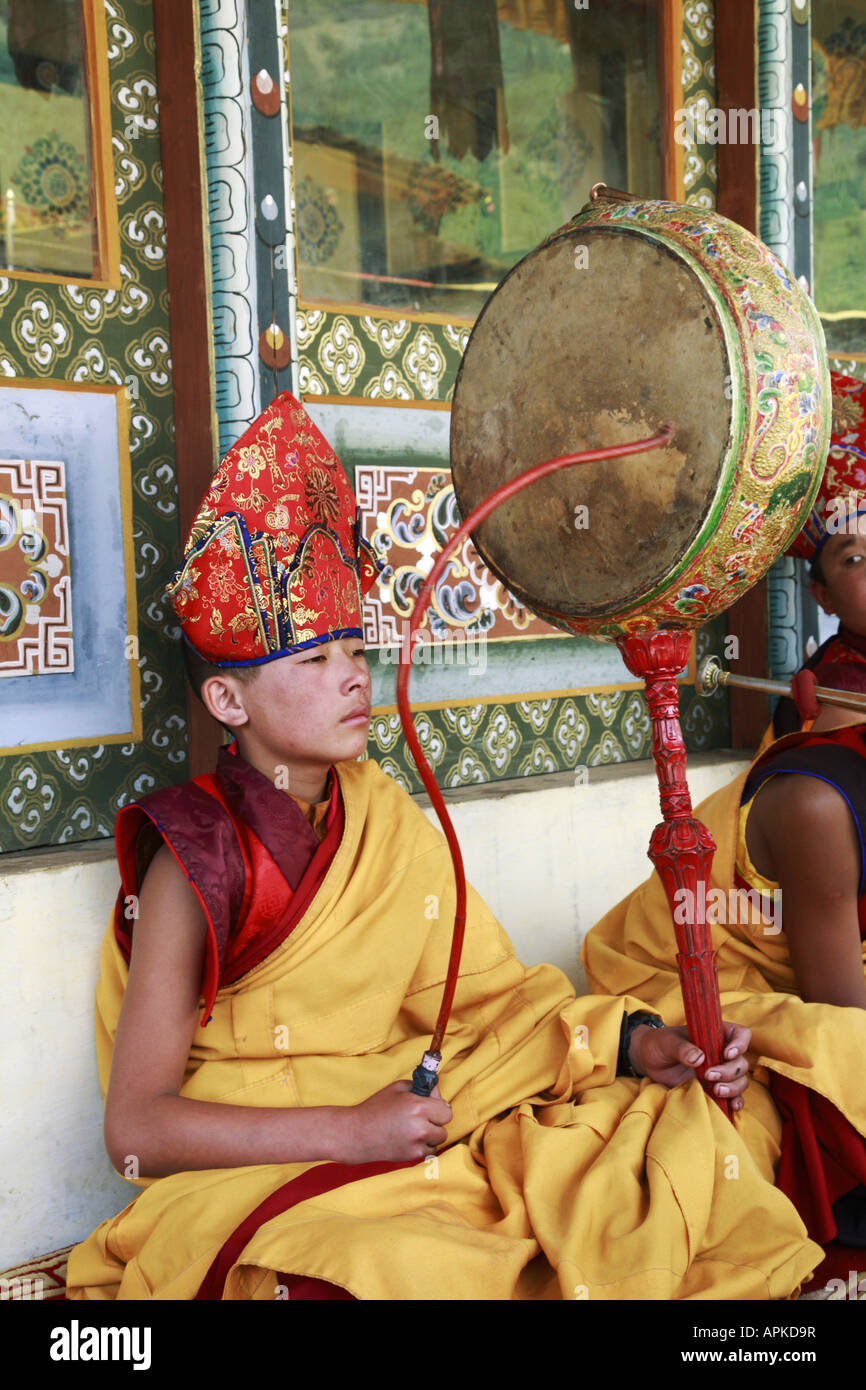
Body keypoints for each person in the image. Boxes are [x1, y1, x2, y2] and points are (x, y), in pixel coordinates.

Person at [66, 393, 820, 1301]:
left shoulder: (376, 816)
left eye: (354, 652)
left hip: (413, 1134)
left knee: (656, 1140)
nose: (352, 677)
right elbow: (137, 1129)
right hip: (262, 1177)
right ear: (229, 703)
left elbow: (490, 1013)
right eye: (314, 662)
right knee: (388, 1270)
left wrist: (634, 1041)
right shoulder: (194, 857)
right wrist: (349, 1132)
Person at [584, 372, 866, 1258]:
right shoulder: (819, 784)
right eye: (856, 557)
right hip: (716, 972)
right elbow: (842, 1011)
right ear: (820, 594)